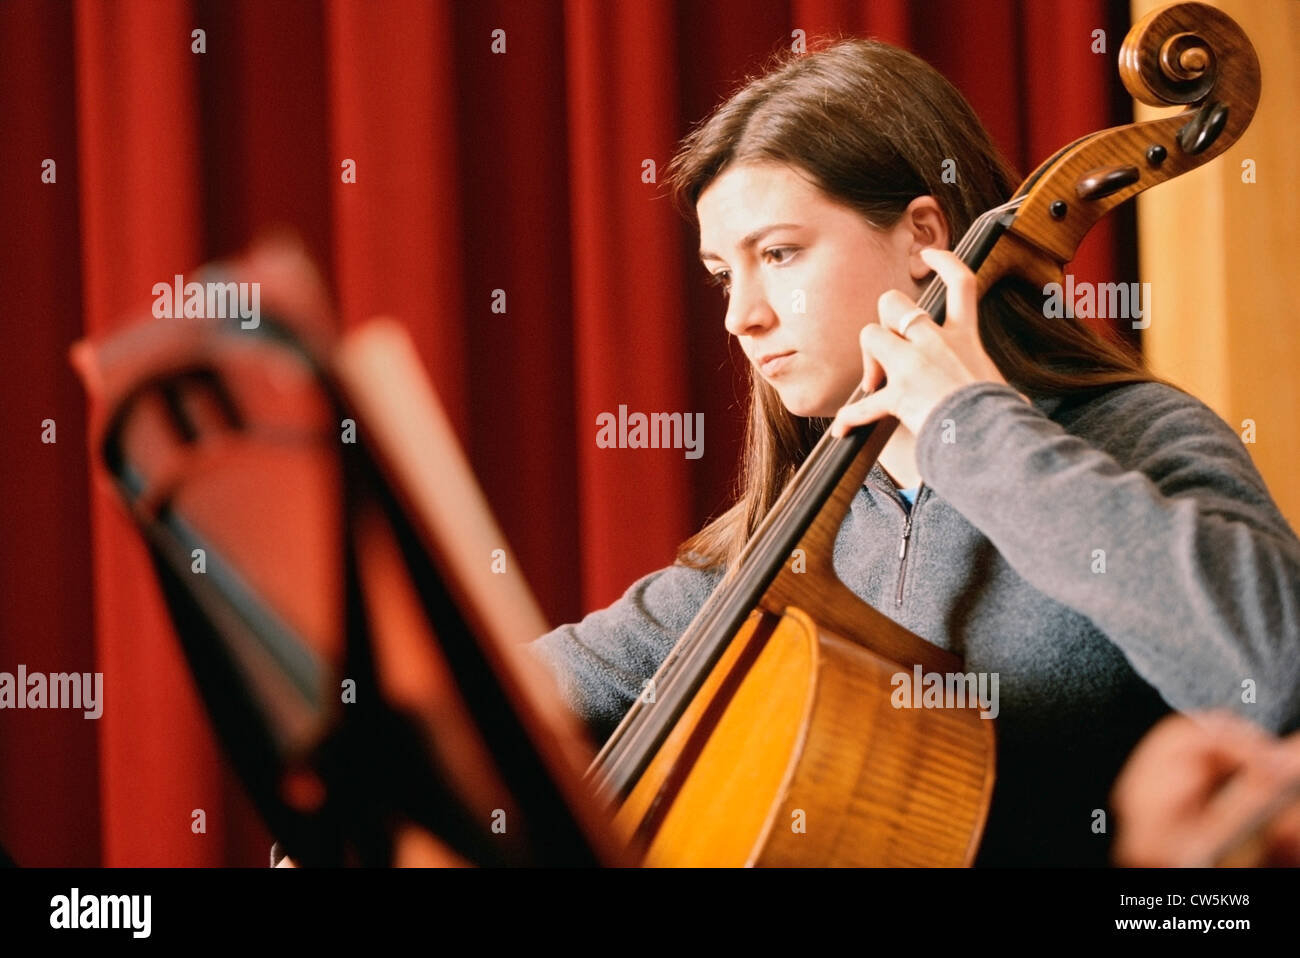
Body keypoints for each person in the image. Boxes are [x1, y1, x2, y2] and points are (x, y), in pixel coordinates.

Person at [526, 36, 1300, 867]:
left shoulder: (1133, 435)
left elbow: (1276, 666)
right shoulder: (780, 542)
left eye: (779, 254)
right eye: (724, 273)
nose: (739, 315)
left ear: (923, 236)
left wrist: (972, 427)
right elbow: (521, 695)